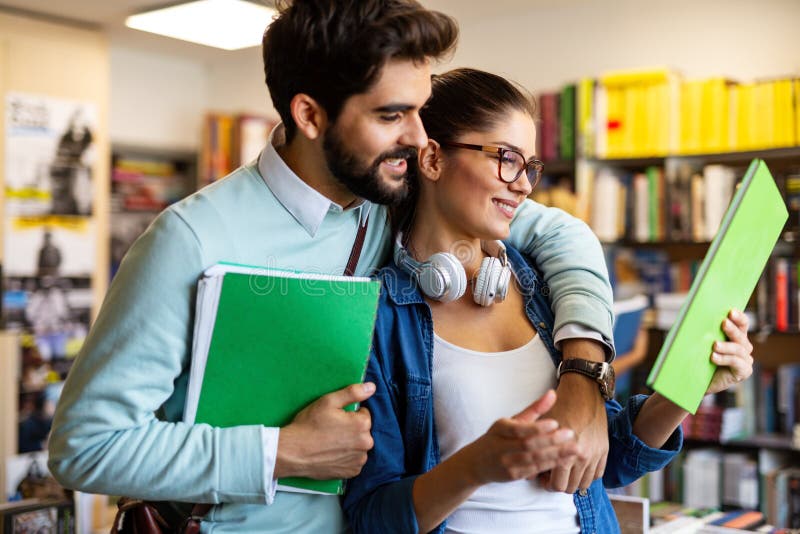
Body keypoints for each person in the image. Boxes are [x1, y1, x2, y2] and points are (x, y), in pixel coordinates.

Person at [49, 2, 617, 532]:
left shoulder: (395, 194)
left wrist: (584, 373)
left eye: (419, 110)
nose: (419, 138)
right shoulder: (191, 239)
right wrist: (282, 451)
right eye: (392, 114)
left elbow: (564, 235)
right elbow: (85, 448)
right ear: (310, 115)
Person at [342, 68, 755, 533]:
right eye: (506, 159)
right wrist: (476, 465)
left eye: (530, 166)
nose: (523, 184)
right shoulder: (375, 316)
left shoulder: (543, 284)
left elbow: (605, 461)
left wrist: (686, 390)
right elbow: (371, 518)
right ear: (433, 159)